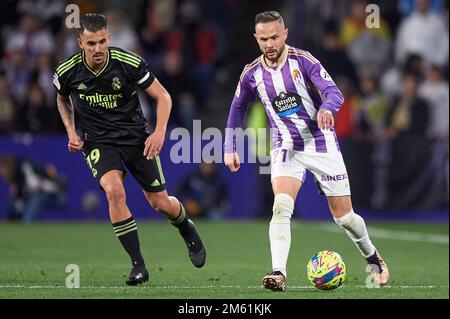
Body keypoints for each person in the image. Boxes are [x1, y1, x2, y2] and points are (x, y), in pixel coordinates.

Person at [223, 11, 389, 292]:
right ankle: (278, 273)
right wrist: (229, 146)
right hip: (285, 145)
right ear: (256, 39)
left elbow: (334, 92)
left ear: (285, 33)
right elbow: (237, 108)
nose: (269, 44)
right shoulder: (252, 73)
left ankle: (372, 255)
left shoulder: (304, 61)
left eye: (275, 37)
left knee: (344, 218)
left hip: (320, 142)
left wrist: (326, 107)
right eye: (263, 39)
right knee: (281, 206)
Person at [53, 13, 206, 286]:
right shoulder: (68, 71)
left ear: (108, 38)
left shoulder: (128, 62)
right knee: (114, 191)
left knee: (160, 203)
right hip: (99, 141)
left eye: (102, 42)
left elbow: (164, 96)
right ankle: (138, 266)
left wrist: (159, 132)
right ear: (80, 43)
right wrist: (70, 130)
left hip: (136, 138)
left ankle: (185, 226)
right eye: (91, 44)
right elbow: (61, 99)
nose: (98, 49)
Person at [0, 154, 66, 223]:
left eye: (3, 170)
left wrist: (41, 185)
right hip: (33, 195)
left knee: (36, 198)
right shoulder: (16, 178)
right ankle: (12, 225)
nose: (2, 174)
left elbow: (37, 185)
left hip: (56, 196)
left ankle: (26, 224)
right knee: (12, 204)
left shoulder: (23, 166)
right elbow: (22, 193)